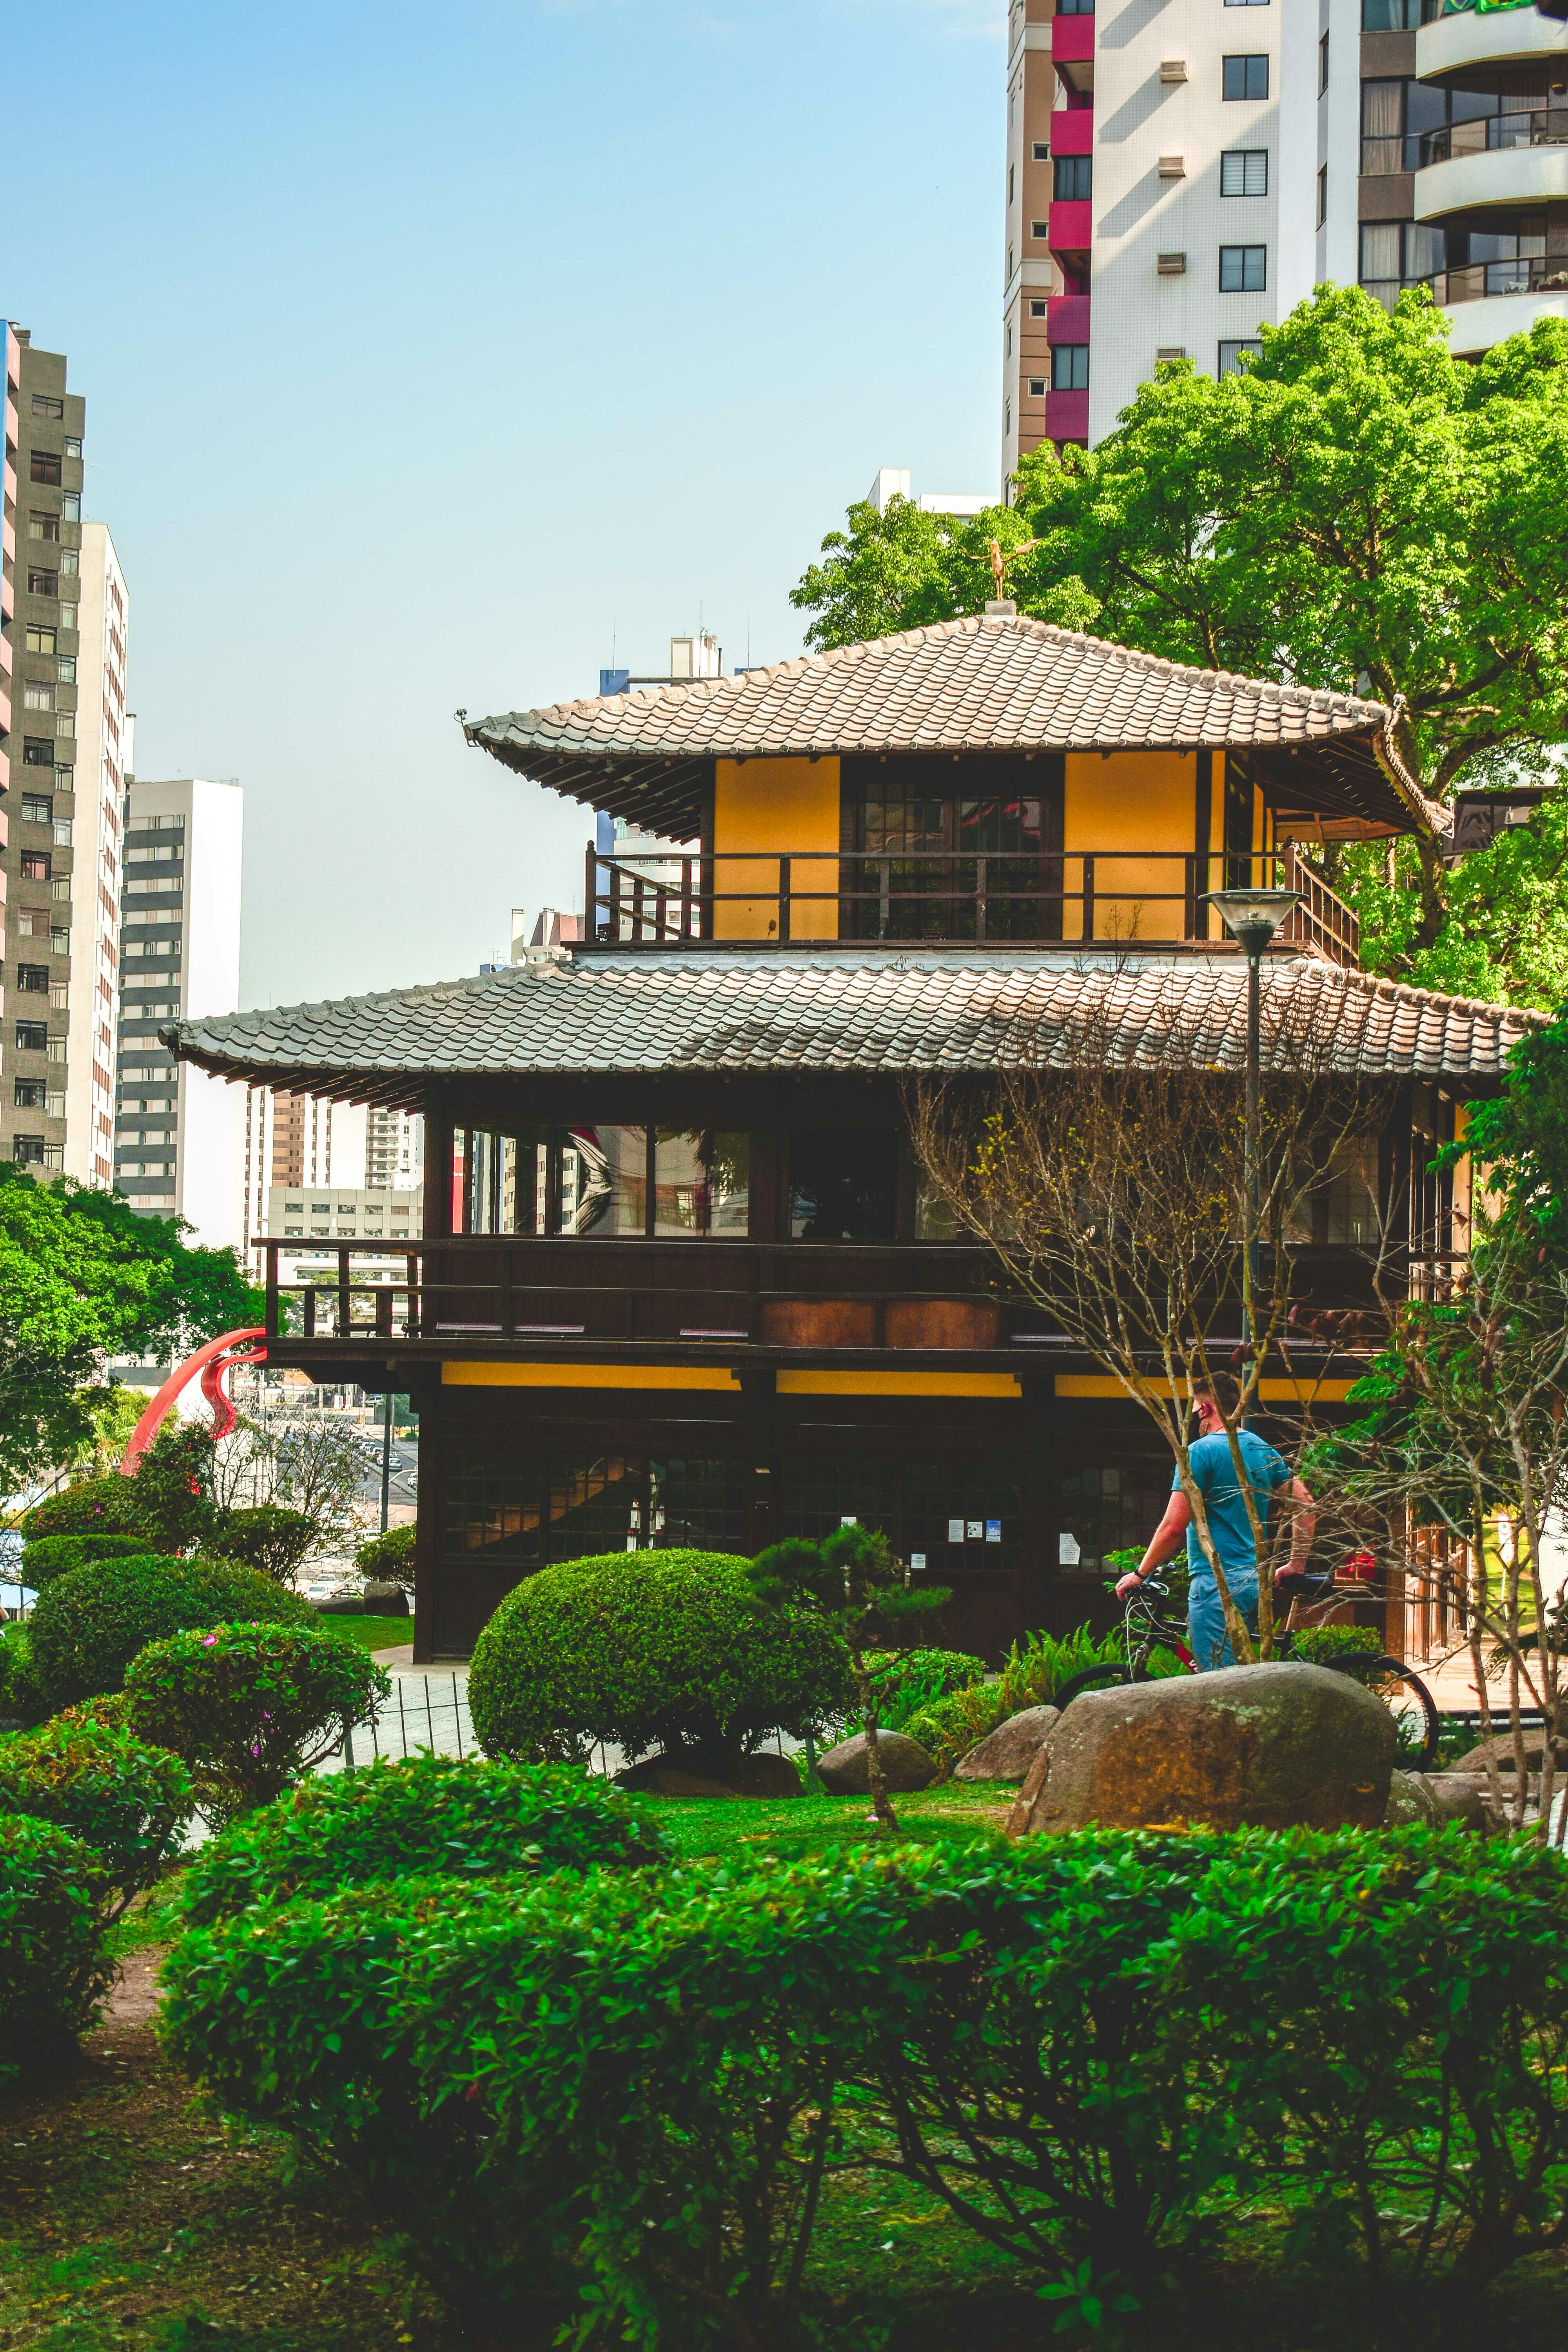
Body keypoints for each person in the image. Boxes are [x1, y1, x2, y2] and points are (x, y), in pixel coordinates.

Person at [1114, 1376, 1316, 1670]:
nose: (1197, 1417)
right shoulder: (1262, 1449)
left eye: (1196, 1410)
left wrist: (1140, 1573)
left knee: (1218, 1688)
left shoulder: (1200, 1452)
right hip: (1253, 1584)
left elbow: (1173, 1527)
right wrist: (1296, 1564)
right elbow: (1306, 1505)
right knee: (1242, 1680)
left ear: (1206, 1409)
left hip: (1216, 1584)